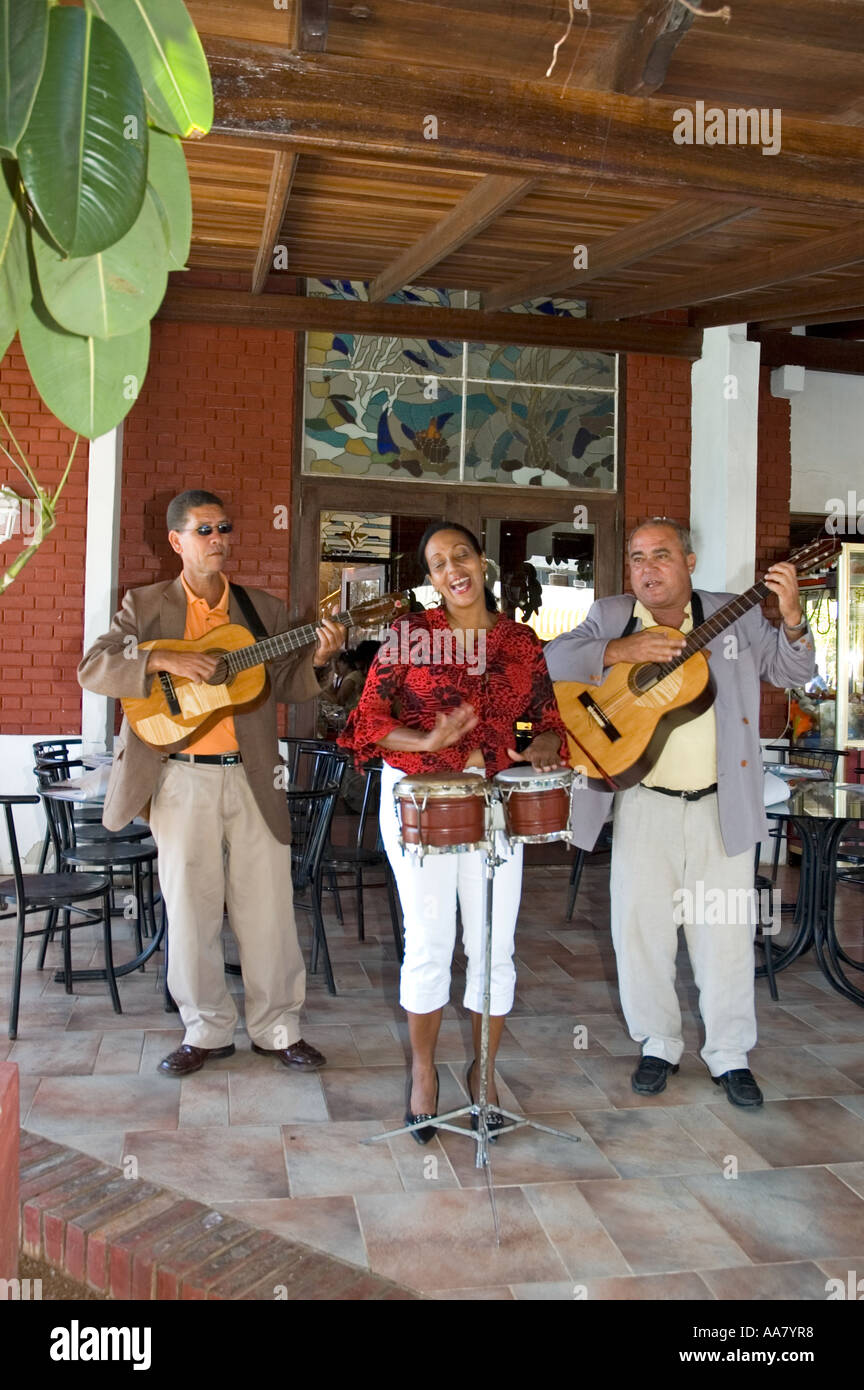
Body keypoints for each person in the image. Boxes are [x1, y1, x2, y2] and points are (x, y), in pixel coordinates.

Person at [544, 517, 816, 1107]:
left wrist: (792, 619)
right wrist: (621, 649)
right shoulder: (612, 615)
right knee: (639, 933)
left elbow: (793, 673)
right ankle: (658, 1044)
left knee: (725, 936)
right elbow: (553, 661)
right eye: (637, 557)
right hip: (643, 804)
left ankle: (729, 1053)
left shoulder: (736, 614)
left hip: (722, 807)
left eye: (660, 555)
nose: (647, 568)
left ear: (689, 562)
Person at [78, 490, 345, 1077]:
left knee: (269, 910)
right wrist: (163, 660)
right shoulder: (145, 606)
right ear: (176, 541)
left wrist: (321, 660)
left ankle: (279, 1029)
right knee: (192, 911)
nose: (218, 538)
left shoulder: (262, 610)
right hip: (179, 779)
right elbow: (95, 665)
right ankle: (205, 1029)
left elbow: (293, 684)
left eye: (224, 527)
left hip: (254, 779)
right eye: (204, 530)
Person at [340, 523, 568, 1142]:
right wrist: (428, 740)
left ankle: (485, 1073)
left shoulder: (520, 642)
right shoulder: (411, 636)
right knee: (431, 940)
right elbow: (368, 721)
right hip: (421, 797)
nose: (452, 569)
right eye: (438, 563)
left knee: (493, 943)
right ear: (431, 578)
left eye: (460, 555)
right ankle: (422, 1073)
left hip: (493, 802)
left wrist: (542, 743)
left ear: (482, 561)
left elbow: (543, 720)